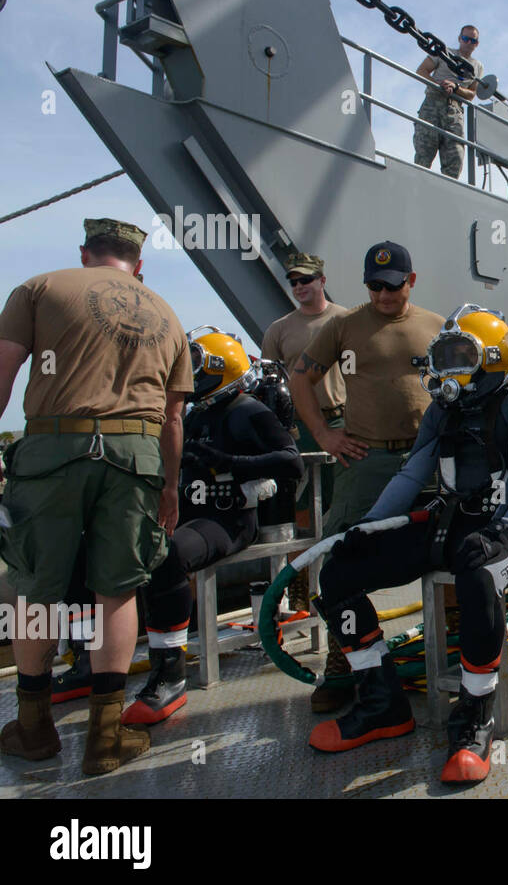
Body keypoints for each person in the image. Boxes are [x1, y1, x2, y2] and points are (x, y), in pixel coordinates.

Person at [309, 305, 508, 784]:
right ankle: (383, 702)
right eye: (443, 358)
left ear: (493, 357)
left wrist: (500, 530)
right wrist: (368, 525)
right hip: (458, 521)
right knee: (340, 569)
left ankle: (474, 718)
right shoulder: (443, 410)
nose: (448, 371)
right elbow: (413, 473)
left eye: (461, 357)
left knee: (480, 577)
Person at [0, 218, 190, 776]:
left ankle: (34, 729)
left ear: (85, 253)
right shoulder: (167, 314)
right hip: (137, 458)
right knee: (119, 588)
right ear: (138, 264)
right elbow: (173, 420)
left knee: (36, 585)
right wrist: (171, 487)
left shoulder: (40, 288)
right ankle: (106, 739)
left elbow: (3, 375)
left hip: (55, 449)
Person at [289, 241, 444, 712]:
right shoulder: (344, 326)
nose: (382, 295)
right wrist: (324, 435)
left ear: (410, 281)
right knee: (338, 559)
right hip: (367, 460)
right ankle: (345, 664)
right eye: (374, 286)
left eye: (392, 286)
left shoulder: (437, 327)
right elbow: (300, 378)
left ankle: (456, 649)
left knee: (454, 554)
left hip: (429, 462)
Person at [122, 329, 303, 724]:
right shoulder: (196, 413)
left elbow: (292, 463)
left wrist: (226, 461)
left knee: (166, 556)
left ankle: (169, 672)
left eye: (194, 365)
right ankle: (92, 662)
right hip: (190, 513)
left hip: (228, 518)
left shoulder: (247, 410)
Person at [261, 251, 348, 607]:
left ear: (322, 281)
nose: (299, 286)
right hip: (298, 429)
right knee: (299, 508)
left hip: (340, 421)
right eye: (294, 281)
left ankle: (337, 579)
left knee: (340, 504)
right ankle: (297, 584)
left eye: (306, 280)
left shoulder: (347, 320)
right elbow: (269, 380)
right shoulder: (279, 329)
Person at [413, 26, 484, 178]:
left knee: (454, 160)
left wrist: (456, 88)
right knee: (423, 155)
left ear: (476, 44)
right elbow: (422, 71)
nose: (468, 43)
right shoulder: (444, 53)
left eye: (472, 40)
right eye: (465, 39)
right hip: (432, 105)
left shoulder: (477, 67)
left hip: (454, 112)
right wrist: (438, 85)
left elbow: (471, 94)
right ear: (459, 39)